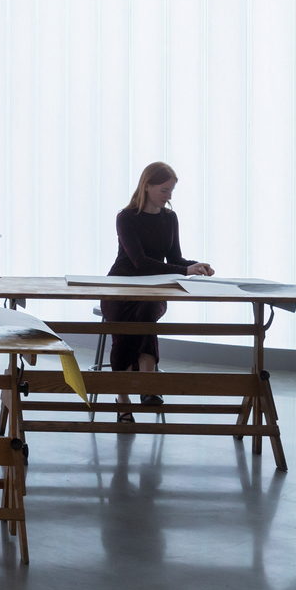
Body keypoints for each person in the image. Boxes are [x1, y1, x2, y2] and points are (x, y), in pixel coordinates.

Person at [103, 161, 214, 421]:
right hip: (120, 285)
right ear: (147, 187)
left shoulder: (170, 218)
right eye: (164, 190)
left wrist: (195, 266)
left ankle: (145, 381)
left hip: (154, 288)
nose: (169, 196)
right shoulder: (126, 217)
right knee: (130, 322)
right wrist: (183, 271)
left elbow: (174, 257)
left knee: (149, 310)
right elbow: (139, 261)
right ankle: (129, 394)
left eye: (171, 190)